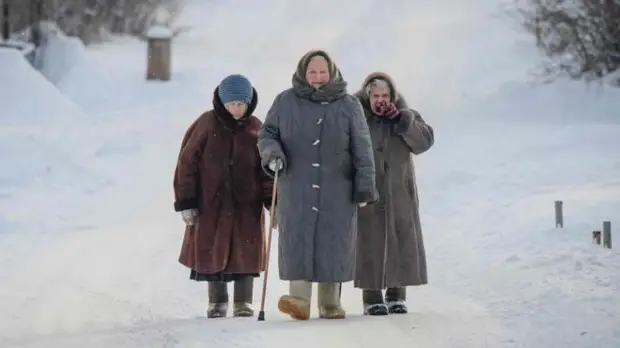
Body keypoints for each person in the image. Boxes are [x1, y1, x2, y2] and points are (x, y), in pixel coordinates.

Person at [257, 50, 378, 320]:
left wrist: (365, 185)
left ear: (332, 73)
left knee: (334, 242)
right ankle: (299, 300)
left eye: (323, 72)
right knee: (297, 239)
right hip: (296, 184)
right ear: (303, 73)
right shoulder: (285, 101)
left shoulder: (349, 105)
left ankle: (330, 302)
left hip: (338, 187)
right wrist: (272, 153)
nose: (318, 77)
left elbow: (362, 147)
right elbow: (267, 133)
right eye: (313, 72)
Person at [173, 74, 274, 319]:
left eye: (241, 104)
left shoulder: (256, 128)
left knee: (245, 252)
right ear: (222, 102)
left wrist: (273, 202)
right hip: (211, 203)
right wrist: (186, 201)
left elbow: (266, 172)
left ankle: (243, 302)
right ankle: (217, 301)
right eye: (231, 104)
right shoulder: (206, 124)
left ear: (249, 103)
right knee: (213, 251)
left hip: (246, 205)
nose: (236, 109)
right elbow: (186, 163)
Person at [352, 72, 434, 316]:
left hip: (400, 191)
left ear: (392, 96)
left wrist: (402, 121)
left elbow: (424, 143)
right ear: (368, 98)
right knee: (370, 242)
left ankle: (397, 295)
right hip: (369, 191)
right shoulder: (356, 118)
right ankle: (372, 297)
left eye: (385, 95)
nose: (380, 100)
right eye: (376, 96)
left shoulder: (406, 116)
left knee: (400, 239)